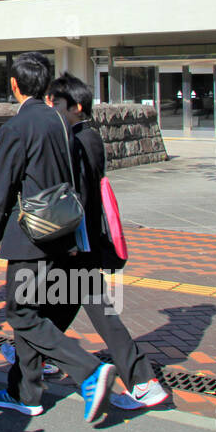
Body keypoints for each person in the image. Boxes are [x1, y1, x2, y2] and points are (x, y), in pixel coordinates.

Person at [0, 52, 116, 423]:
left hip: (30, 236)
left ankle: (87, 369)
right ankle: (25, 393)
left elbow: (1, 188)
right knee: (34, 311)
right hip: (62, 231)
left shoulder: (17, 127)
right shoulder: (62, 122)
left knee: (20, 313)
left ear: (14, 85)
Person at [44, 73, 168, 410]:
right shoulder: (89, 136)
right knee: (64, 303)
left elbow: (78, 194)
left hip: (79, 242)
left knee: (98, 312)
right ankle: (41, 356)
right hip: (83, 242)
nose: (51, 109)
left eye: (56, 104)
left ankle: (143, 380)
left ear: (77, 107)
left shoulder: (81, 140)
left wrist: (67, 238)